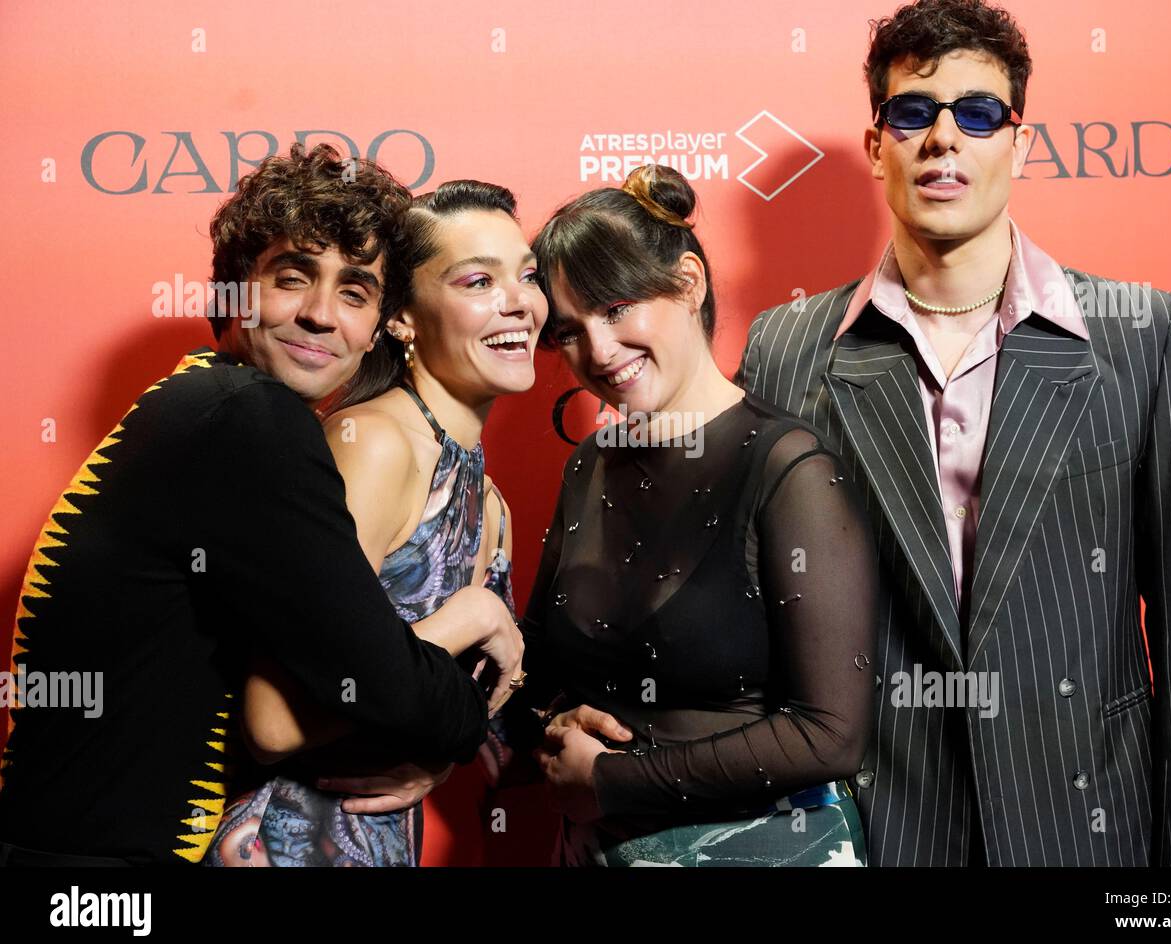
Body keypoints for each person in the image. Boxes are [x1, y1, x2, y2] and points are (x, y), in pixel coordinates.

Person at [738, 0, 1171, 865]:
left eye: (977, 113)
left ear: (1020, 143)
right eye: (913, 113)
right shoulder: (788, 350)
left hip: (1087, 826)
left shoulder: (1137, 332)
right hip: (875, 829)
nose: (944, 137)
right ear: (877, 146)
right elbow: (748, 625)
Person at [0, 143, 513, 866]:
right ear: (234, 292)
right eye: (292, 278)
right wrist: (473, 629)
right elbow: (376, 680)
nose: (319, 316)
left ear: (378, 329)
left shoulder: (204, 402)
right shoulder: (248, 418)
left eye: (355, 292)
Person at [516, 164, 877, 867]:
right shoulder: (589, 466)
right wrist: (550, 724)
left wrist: (611, 781)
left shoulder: (789, 468)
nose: (596, 350)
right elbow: (540, 667)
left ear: (688, 283)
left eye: (616, 308)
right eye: (569, 330)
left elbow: (831, 733)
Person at [206, 180, 543, 866]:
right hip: (281, 845)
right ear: (403, 318)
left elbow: (442, 701)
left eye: (528, 275)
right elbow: (273, 721)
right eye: (479, 280)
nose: (519, 302)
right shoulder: (375, 444)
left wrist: (440, 752)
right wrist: (469, 615)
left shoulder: (491, 500)